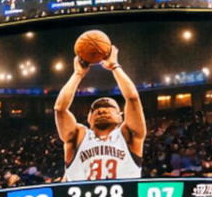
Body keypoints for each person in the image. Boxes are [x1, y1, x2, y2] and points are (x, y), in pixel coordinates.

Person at [54, 42, 145, 181]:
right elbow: (60, 109)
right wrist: (78, 74)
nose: (101, 110)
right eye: (96, 109)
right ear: (88, 118)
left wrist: (114, 66)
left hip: (124, 195)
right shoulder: (79, 135)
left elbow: (132, 98)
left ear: (120, 116)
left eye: (108, 107)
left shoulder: (128, 134)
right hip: (82, 195)